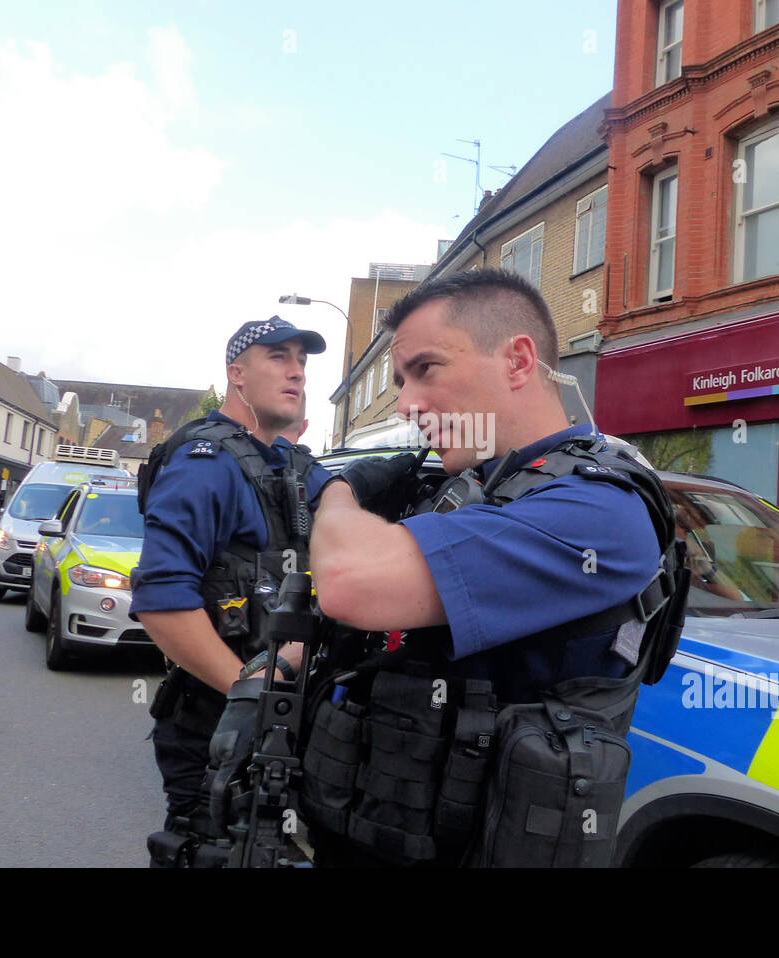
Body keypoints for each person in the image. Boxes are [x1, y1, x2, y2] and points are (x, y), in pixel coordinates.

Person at [304, 268, 678, 867]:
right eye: (399, 381)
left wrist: (336, 491)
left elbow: (350, 582)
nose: (406, 404)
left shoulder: (597, 508)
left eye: (425, 369)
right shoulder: (481, 484)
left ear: (518, 361)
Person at [131, 316, 331, 859]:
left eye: (303, 361)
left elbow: (343, 494)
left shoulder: (283, 462)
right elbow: (162, 601)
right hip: (216, 725)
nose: (297, 372)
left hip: (277, 723)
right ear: (235, 374)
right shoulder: (205, 463)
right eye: (278, 357)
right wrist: (254, 698)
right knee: (219, 850)